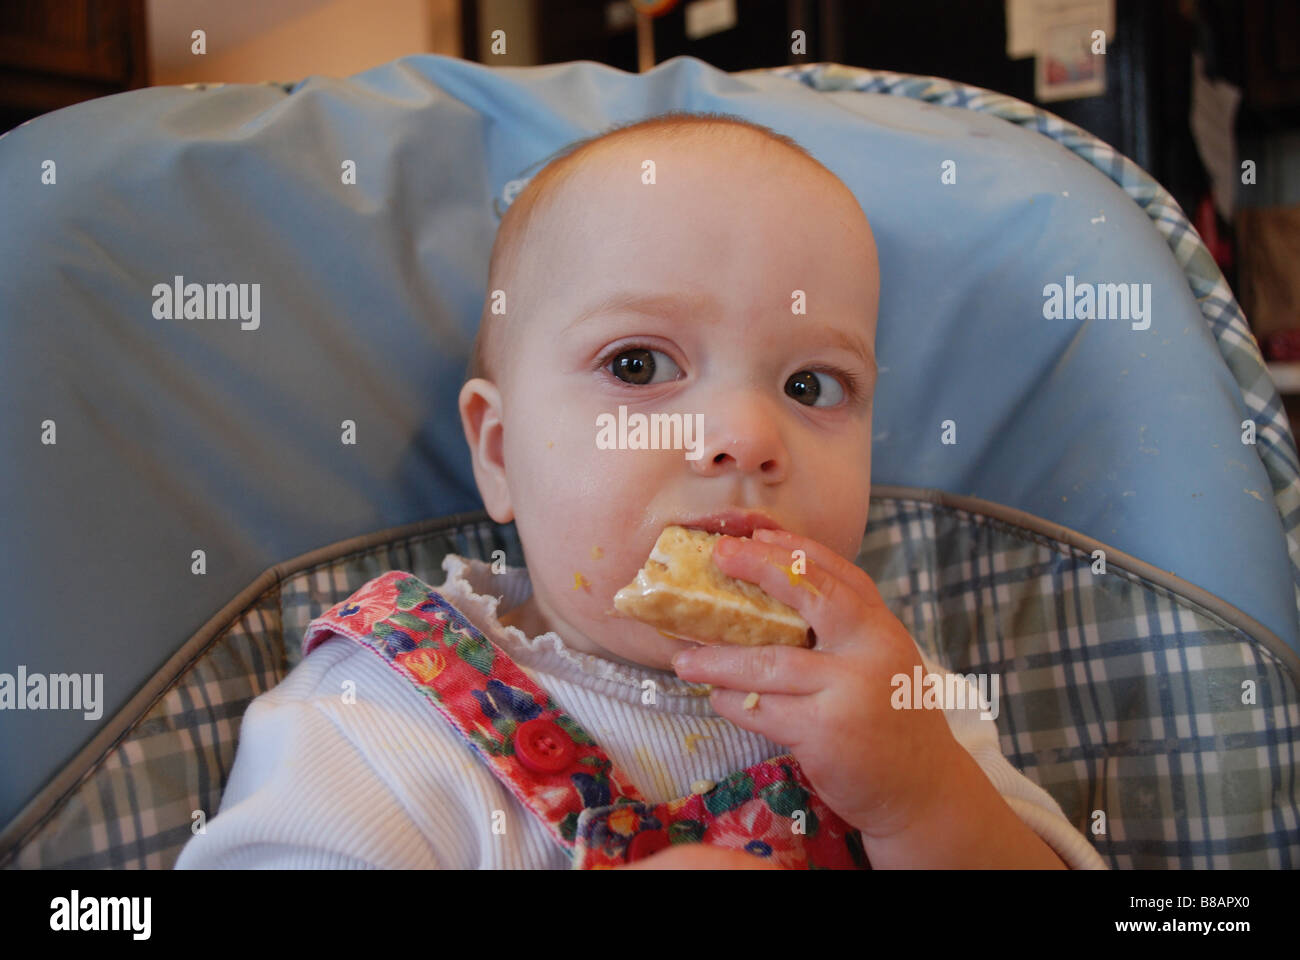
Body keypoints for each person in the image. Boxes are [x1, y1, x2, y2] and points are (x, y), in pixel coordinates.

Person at [174, 111, 1106, 869]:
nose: (746, 436)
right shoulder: (381, 723)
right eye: (637, 363)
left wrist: (925, 801)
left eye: (811, 386)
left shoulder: (897, 702)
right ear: (498, 452)